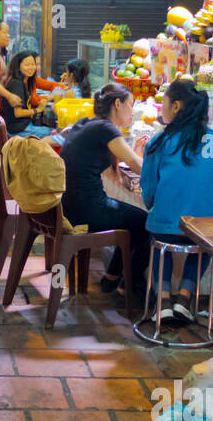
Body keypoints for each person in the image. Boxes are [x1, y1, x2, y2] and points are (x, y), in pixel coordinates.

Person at [139, 79, 213, 323]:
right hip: (206, 230)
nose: (161, 107)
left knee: (158, 241)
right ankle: (184, 298)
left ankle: (162, 301)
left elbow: (149, 190)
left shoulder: (158, 142)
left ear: (175, 106)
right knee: (203, 243)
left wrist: (156, 206)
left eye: (163, 102)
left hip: (166, 227)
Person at [57, 82, 150, 304]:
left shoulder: (87, 124)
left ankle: (111, 278)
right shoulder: (105, 129)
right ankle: (130, 287)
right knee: (147, 223)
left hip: (70, 204)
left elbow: (126, 160)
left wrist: (134, 155)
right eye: (130, 106)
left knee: (133, 221)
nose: (131, 112)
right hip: (86, 209)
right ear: (117, 104)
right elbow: (136, 165)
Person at [0, 51, 53, 138]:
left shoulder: (24, 81)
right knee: (54, 133)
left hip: (24, 125)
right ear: (18, 66)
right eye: (27, 65)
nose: (31, 68)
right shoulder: (17, 84)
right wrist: (38, 110)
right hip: (18, 129)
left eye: (33, 64)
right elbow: (18, 113)